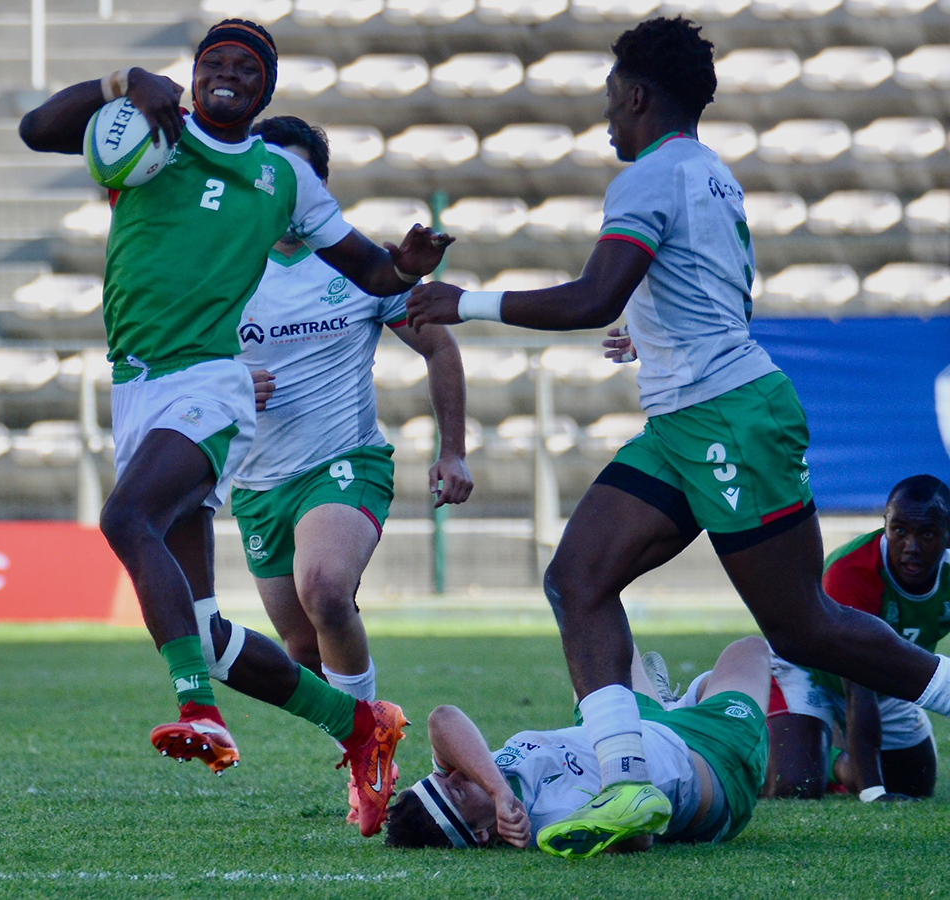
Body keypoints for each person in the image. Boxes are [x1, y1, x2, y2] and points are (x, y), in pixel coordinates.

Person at [405, 15, 950, 855]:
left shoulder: (651, 179)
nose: (607, 122)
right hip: (687, 417)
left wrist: (464, 302)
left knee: (802, 628)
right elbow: (698, 297)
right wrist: (649, 338)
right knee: (577, 579)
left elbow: (592, 296)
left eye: (611, 105)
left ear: (634, 94)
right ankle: (625, 783)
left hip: (727, 418)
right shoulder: (711, 176)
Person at [18, 18, 453, 837]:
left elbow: (368, 268)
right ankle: (362, 728)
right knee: (206, 626)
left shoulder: (281, 175)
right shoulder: (154, 136)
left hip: (210, 382)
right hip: (138, 387)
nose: (226, 72)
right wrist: (119, 84)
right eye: (212, 60)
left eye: (245, 67)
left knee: (125, 518)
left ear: (265, 90)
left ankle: (199, 711)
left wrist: (407, 265)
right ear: (190, 75)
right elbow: (35, 129)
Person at [230, 115, 473, 822]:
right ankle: (365, 724)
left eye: (298, 173)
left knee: (325, 588)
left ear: (318, 185)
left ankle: (370, 751)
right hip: (256, 486)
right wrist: (226, 383)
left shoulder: (357, 264)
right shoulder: (221, 266)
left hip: (345, 463)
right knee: (301, 654)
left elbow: (438, 349)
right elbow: (165, 361)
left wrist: (451, 450)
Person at [385, 636, 771, 856]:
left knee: (600, 640)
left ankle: (669, 704)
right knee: (750, 650)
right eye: (455, 789)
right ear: (481, 834)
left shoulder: (483, 780)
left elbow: (442, 718)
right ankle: (689, 702)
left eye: (443, 776)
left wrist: (498, 791)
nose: (455, 772)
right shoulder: (549, 823)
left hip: (615, 729)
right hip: (705, 760)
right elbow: (639, 835)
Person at [765, 475, 950, 802]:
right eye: (900, 531)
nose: (911, 547)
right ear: (885, 526)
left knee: (913, 786)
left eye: (928, 533)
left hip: (883, 681)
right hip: (810, 672)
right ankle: (824, 755)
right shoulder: (851, 573)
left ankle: (832, 754)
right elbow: (858, 687)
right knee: (794, 785)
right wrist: (873, 793)